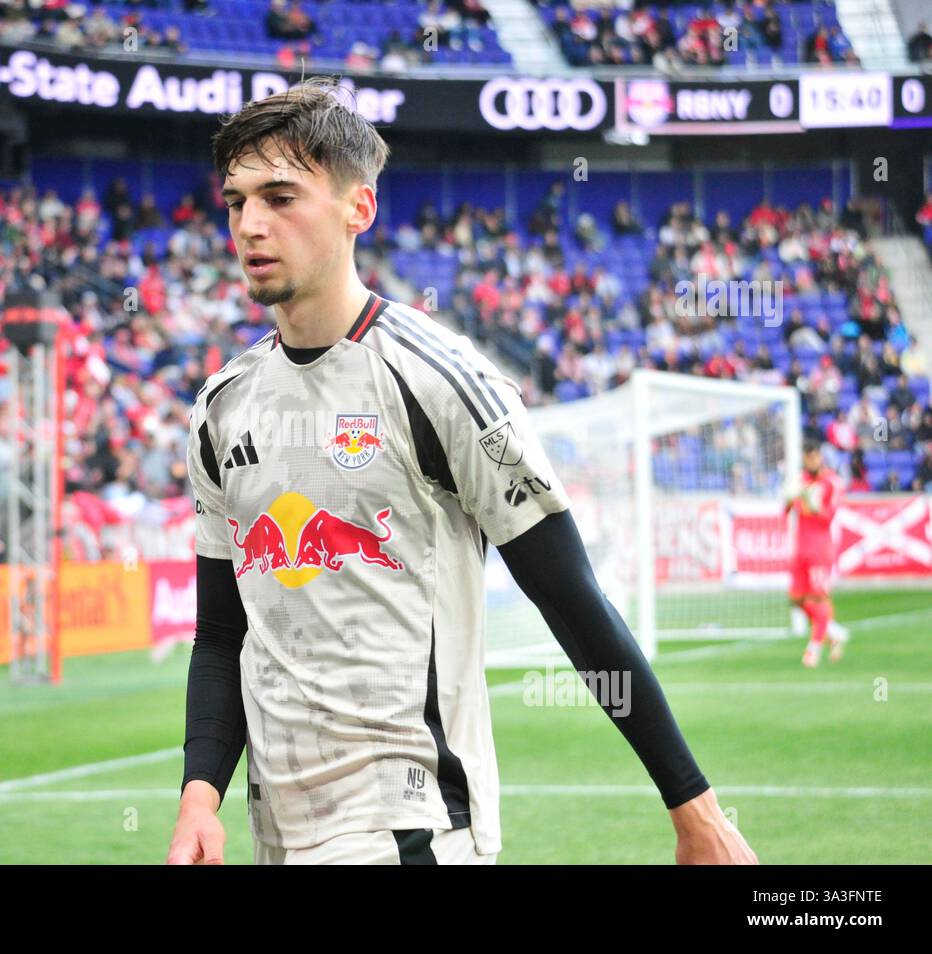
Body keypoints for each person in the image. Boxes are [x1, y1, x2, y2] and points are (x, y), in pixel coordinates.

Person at [167, 77, 756, 866]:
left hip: (414, 827)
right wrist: (198, 796)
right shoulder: (221, 408)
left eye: (280, 196)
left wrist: (696, 810)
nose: (250, 224)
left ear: (358, 209)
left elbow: (570, 598)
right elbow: (221, 634)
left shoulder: (444, 383)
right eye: (237, 201)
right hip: (278, 833)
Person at [785, 440, 849, 667]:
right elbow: (786, 510)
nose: (811, 460)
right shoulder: (800, 479)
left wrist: (812, 503)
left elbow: (828, 517)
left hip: (820, 549)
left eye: (814, 456)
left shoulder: (832, 482)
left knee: (818, 597)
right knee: (796, 598)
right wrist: (789, 496)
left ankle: (813, 649)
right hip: (801, 547)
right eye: (807, 457)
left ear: (820, 457)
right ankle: (834, 632)